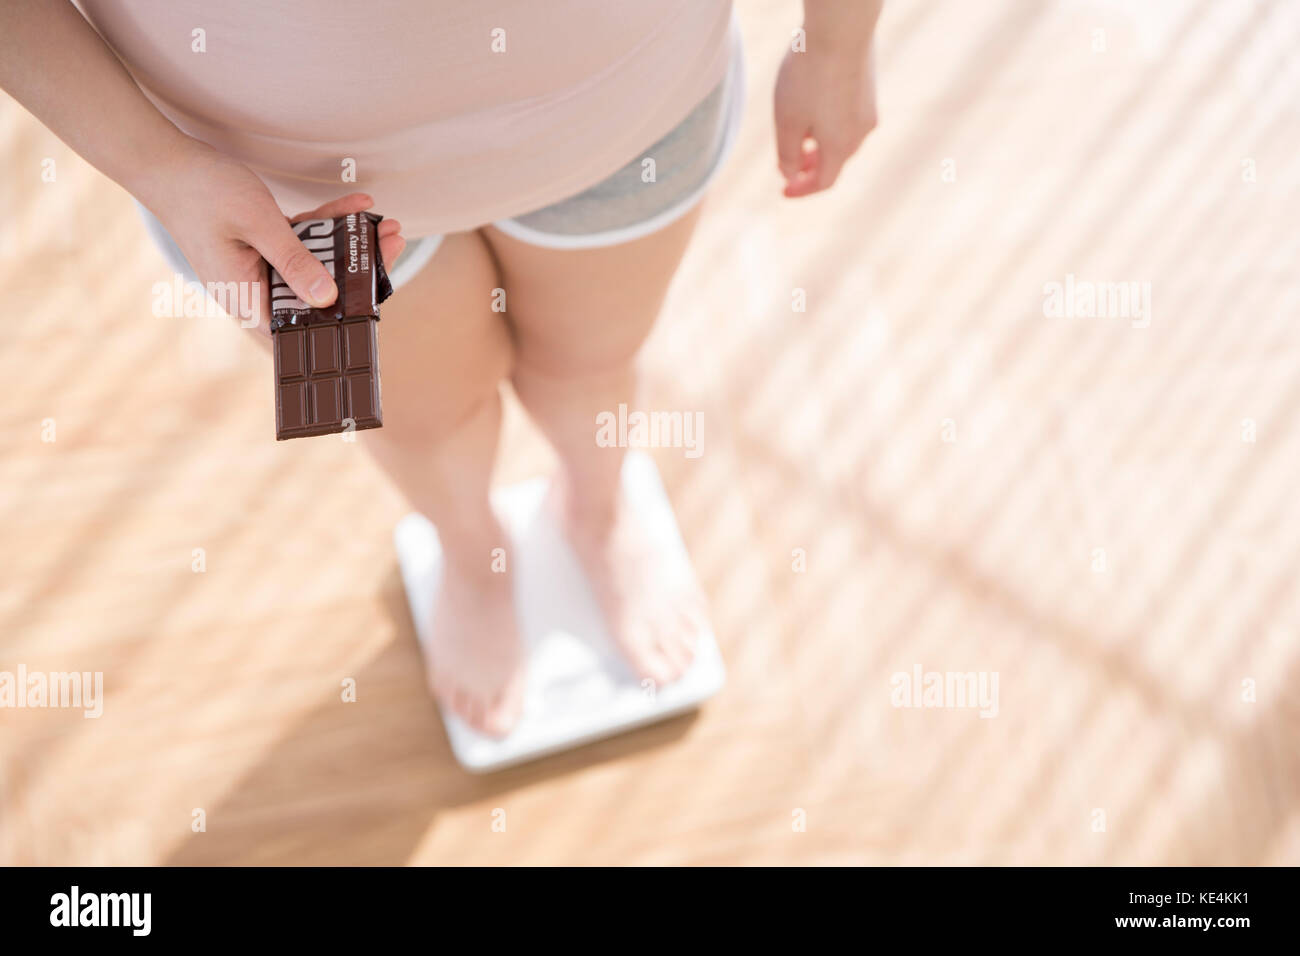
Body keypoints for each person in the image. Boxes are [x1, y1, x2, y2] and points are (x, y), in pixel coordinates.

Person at [1, 0, 882, 736]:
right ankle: (476, 558)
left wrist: (838, 41)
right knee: (423, 420)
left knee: (594, 368)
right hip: (270, 194)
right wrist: (159, 168)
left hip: (625, 117)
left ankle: (597, 511)